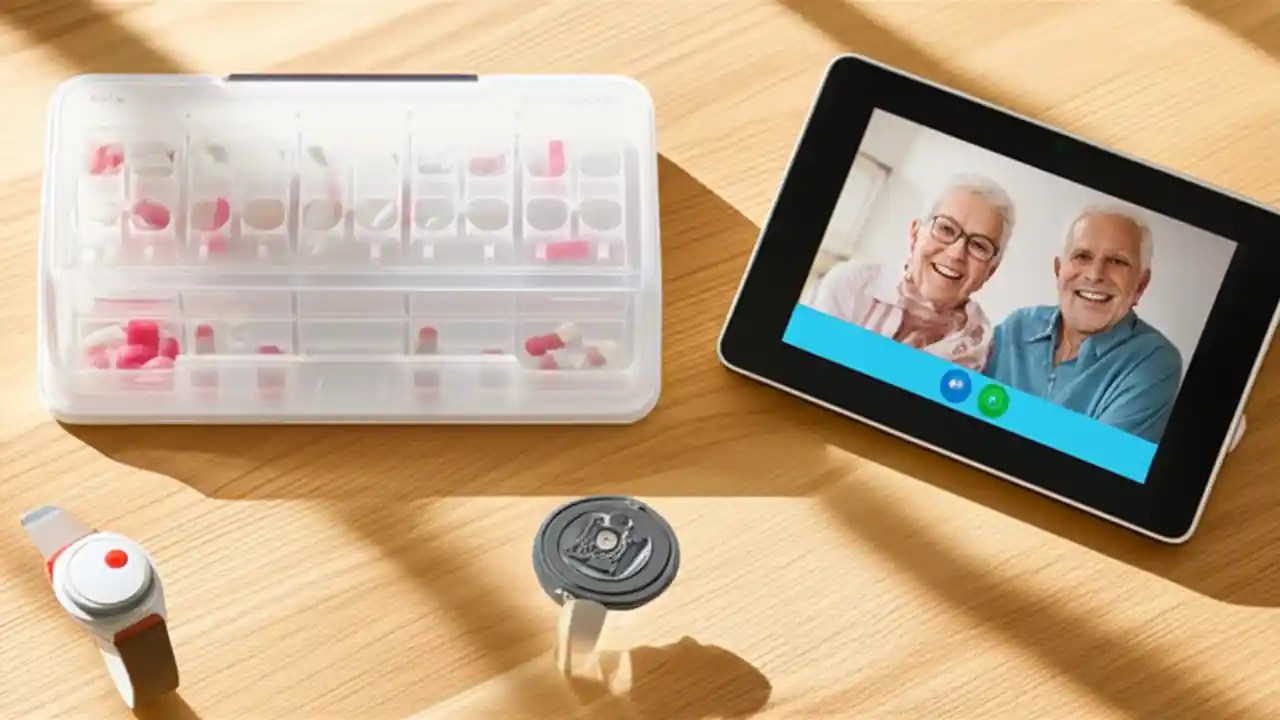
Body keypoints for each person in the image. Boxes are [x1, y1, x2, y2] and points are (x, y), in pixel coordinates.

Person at [984, 205, 1182, 442]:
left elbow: (1097, 461)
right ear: (1059, 270)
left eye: (1117, 261)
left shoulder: (1154, 360)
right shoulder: (1017, 327)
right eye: (1082, 256)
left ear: (1140, 284)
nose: (1095, 274)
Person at [810, 174, 1015, 371]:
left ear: (991, 270)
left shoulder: (984, 348)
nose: (956, 254)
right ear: (915, 233)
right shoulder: (853, 284)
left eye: (979, 245)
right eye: (946, 229)